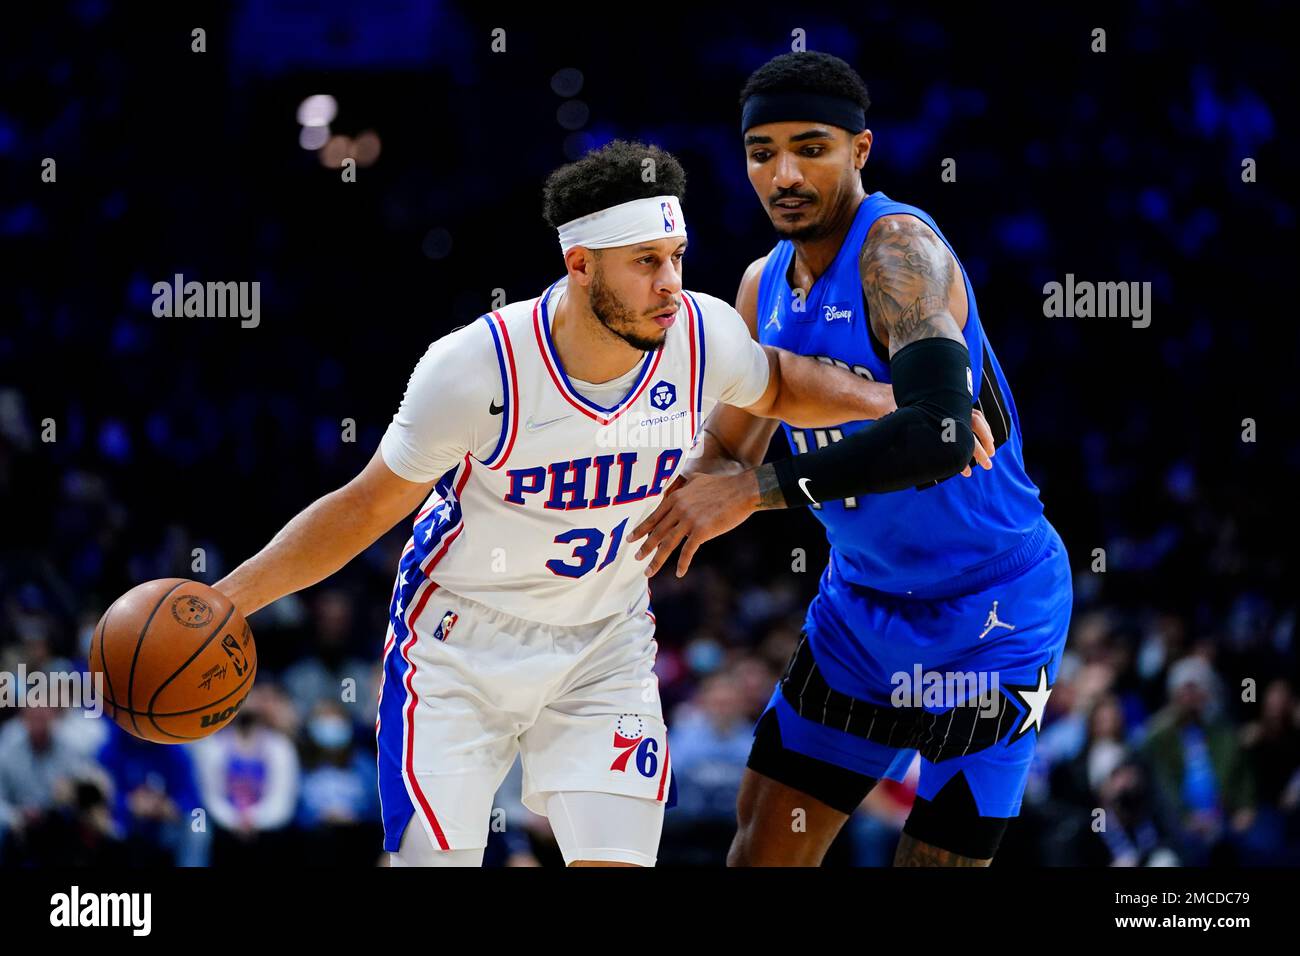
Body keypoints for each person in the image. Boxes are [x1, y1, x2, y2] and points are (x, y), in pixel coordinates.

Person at [213, 139, 993, 868]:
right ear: (582, 265)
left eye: (678, 257)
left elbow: (782, 381)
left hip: (604, 645)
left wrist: (895, 401)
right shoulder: (474, 369)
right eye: (645, 263)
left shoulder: (699, 333)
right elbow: (361, 509)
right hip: (459, 645)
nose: (669, 283)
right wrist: (225, 602)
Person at [630, 52, 1073, 866]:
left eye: (811, 147)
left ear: (861, 151)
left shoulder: (898, 251)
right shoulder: (762, 287)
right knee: (760, 851)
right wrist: (624, 518)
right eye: (762, 152)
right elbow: (725, 448)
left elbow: (941, 434)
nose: (784, 173)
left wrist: (756, 494)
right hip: (861, 614)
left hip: (990, 612)